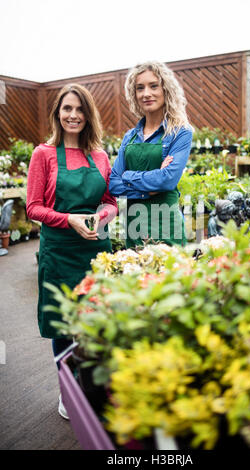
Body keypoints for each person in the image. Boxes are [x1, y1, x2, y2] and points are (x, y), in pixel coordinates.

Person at [26, 83, 117, 418]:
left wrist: (100, 216)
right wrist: (70, 220)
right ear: (57, 114)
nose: (73, 115)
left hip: (96, 250)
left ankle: (94, 388)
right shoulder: (44, 154)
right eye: (67, 108)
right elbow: (33, 208)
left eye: (79, 109)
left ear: (88, 115)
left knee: (96, 322)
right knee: (64, 324)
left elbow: (109, 202)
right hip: (60, 252)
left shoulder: (101, 156)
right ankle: (68, 391)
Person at [109, 61, 193, 248]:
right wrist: (150, 188)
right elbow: (114, 184)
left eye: (153, 86)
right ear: (134, 94)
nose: (146, 93)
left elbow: (167, 180)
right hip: (134, 225)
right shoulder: (129, 136)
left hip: (166, 224)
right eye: (140, 88)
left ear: (165, 89)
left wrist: (129, 176)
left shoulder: (180, 132)